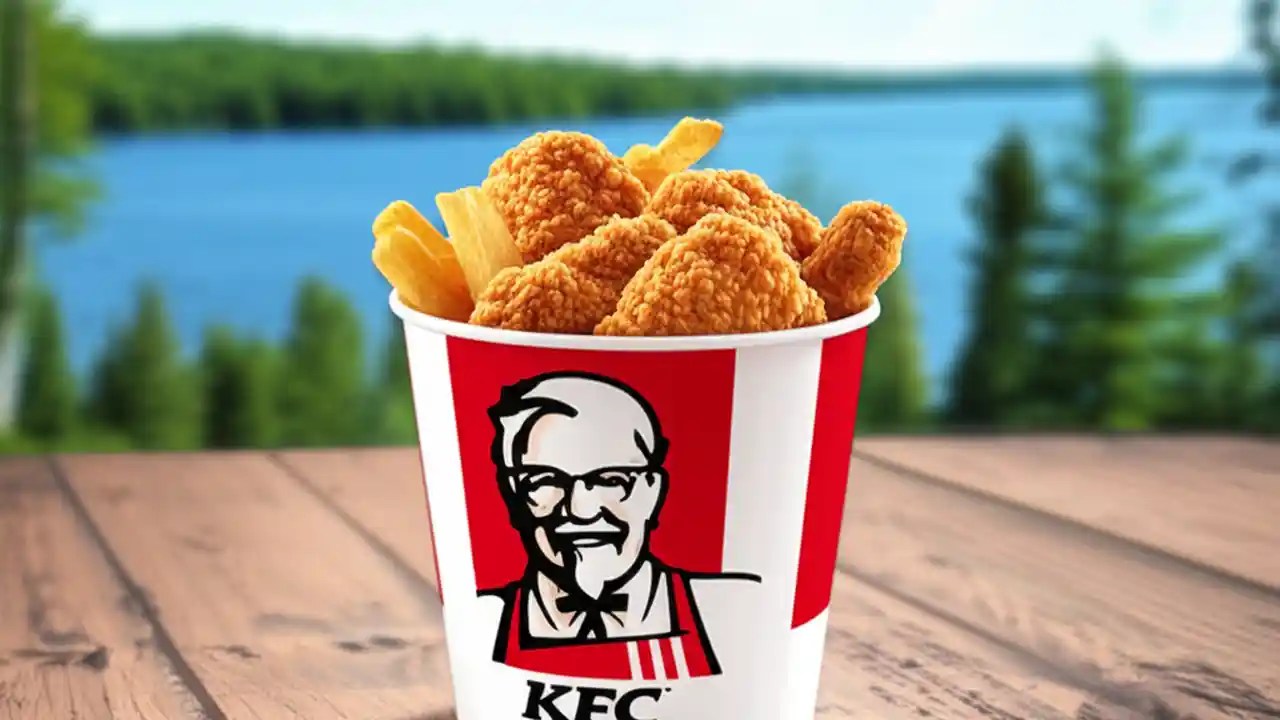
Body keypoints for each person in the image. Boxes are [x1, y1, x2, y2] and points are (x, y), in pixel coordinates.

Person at [478, 371, 758, 681]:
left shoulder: (736, 608)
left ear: (653, 492)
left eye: (611, 480)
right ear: (512, 496)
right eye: (545, 481)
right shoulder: (481, 620)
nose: (581, 511)